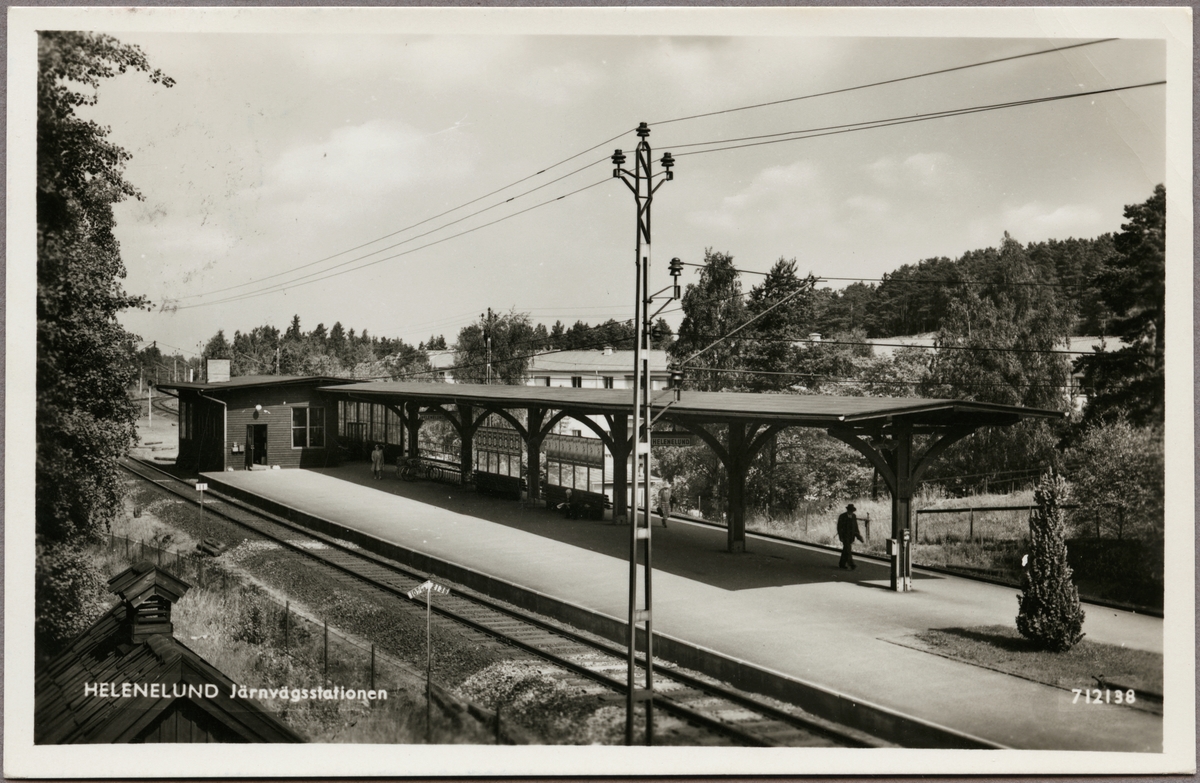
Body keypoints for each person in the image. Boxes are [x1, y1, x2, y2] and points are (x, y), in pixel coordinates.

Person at [837, 503, 863, 570]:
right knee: (848, 549)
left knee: (845, 550)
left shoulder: (854, 516)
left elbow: (856, 527)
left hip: (851, 536)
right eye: (850, 510)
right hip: (844, 536)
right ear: (847, 510)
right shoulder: (842, 516)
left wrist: (858, 536)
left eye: (852, 511)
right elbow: (839, 527)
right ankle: (851, 564)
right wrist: (840, 536)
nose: (851, 512)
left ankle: (842, 564)